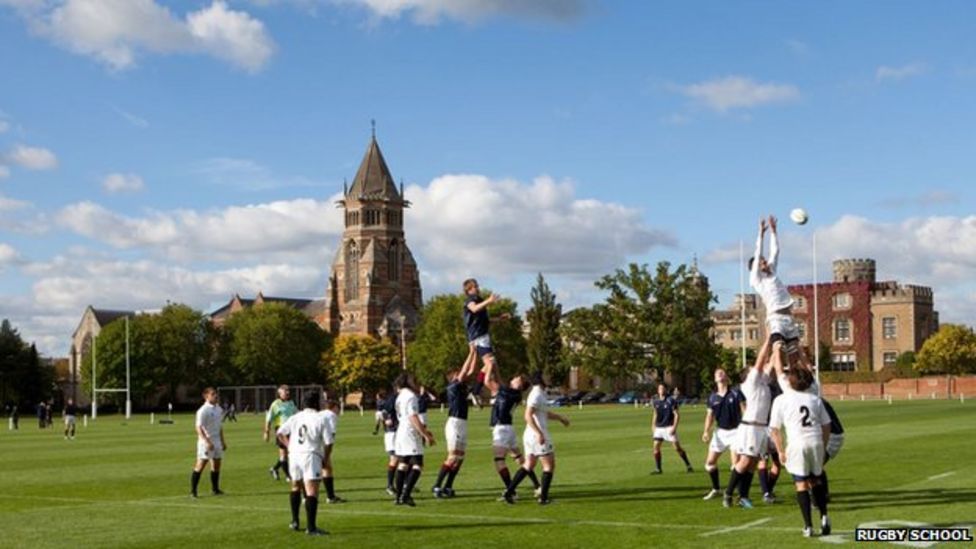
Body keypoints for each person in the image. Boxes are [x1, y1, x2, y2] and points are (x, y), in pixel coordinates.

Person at [768, 347, 833, 538]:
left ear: (791, 381)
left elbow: (774, 429)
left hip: (797, 444)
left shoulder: (781, 399)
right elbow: (827, 425)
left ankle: (808, 526)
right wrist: (823, 445)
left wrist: (780, 451)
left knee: (801, 484)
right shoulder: (815, 399)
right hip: (815, 441)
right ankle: (824, 516)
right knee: (816, 480)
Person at [749, 216, 809, 369]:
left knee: (795, 353)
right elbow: (757, 253)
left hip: (788, 316)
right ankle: (780, 376)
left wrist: (774, 232)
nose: (765, 262)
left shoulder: (772, 272)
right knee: (778, 347)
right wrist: (761, 234)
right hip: (775, 317)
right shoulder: (757, 280)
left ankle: (796, 379)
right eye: (761, 261)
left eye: (764, 260)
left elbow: (775, 251)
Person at [502, 371, 569, 505]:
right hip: (536, 435)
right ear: (540, 379)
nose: (548, 377)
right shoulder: (537, 394)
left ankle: (509, 493)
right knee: (549, 465)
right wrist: (539, 433)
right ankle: (543, 498)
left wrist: (560, 418)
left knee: (529, 465)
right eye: (546, 376)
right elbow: (527, 415)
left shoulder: (540, 393)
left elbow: (544, 413)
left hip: (531, 435)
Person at [724, 336, 773, 509]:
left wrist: (777, 344)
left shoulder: (763, 382)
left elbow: (770, 363)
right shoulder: (750, 383)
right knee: (745, 461)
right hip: (751, 427)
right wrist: (768, 339)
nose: (758, 370)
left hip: (760, 428)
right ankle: (728, 493)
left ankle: (743, 496)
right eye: (753, 370)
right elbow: (761, 361)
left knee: (752, 464)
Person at [483, 350, 540, 497]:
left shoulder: (507, 393)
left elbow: (487, 381)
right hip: (509, 429)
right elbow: (501, 382)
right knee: (520, 460)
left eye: (516, 379)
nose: (513, 379)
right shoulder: (513, 393)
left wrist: (489, 365)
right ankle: (537, 486)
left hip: (501, 429)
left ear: (519, 384)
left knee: (499, 460)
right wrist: (495, 366)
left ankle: (511, 490)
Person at [276, 391, 329, 536]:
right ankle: (311, 528)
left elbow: (280, 432)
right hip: (310, 454)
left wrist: (289, 446)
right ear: (316, 403)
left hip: (294, 455)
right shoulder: (320, 418)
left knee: (295, 486)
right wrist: (326, 458)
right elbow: (328, 441)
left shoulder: (296, 416)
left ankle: (295, 521)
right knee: (312, 491)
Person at [432, 347, 477, 498]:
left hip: (462, 423)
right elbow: (465, 371)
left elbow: (470, 371)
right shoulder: (453, 386)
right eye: (458, 374)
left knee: (460, 458)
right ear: (453, 378)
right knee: (452, 457)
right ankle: (437, 485)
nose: (462, 375)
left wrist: (476, 353)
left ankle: (448, 486)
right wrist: (471, 352)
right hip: (455, 423)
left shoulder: (461, 386)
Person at [462, 279, 510, 404]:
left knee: (492, 363)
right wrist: (489, 301)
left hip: (482, 335)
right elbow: (474, 309)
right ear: (469, 290)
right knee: (491, 363)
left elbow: (485, 320)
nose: (477, 288)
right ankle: (493, 389)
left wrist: (499, 319)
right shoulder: (470, 300)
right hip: (478, 337)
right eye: (475, 287)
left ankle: (477, 390)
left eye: (477, 286)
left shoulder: (479, 300)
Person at [392, 372, 436, 506]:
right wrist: (425, 434)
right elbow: (413, 417)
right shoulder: (411, 396)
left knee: (403, 463)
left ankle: (398, 497)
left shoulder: (400, 396)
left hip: (401, 431)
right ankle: (406, 495)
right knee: (418, 464)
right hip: (410, 432)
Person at [701, 369, 745, 499]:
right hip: (720, 432)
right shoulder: (712, 397)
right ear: (715, 379)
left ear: (726, 377)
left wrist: (746, 427)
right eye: (717, 373)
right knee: (709, 463)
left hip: (736, 431)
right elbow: (710, 416)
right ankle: (716, 489)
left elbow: (744, 410)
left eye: (722, 372)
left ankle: (739, 494)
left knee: (735, 463)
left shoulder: (736, 393)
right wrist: (706, 431)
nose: (719, 374)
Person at [191, 387, 226, 498]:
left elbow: (220, 426)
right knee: (200, 465)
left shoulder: (219, 409)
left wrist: (222, 441)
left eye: (216, 394)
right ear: (206, 396)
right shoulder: (203, 410)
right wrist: (206, 441)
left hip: (217, 441)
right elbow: (198, 428)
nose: (216, 396)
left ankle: (215, 489)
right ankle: (193, 491)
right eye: (213, 394)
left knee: (216, 464)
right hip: (206, 441)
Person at [651, 383, 693, 474]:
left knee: (677, 448)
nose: (661, 390)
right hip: (659, 427)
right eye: (659, 388)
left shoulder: (671, 400)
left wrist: (674, 427)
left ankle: (688, 465)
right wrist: (653, 425)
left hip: (669, 427)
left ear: (666, 390)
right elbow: (655, 413)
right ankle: (658, 469)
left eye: (663, 388)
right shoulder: (656, 401)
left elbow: (676, 415)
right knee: (656, 447)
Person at [264, 385, 298, 481]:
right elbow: (268, 419)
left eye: (288, 391)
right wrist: (267, 432)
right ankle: (288, 476)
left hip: (292, 430)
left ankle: (274, 469)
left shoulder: (291, 403)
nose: (287, 393)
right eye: (285, 391)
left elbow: (296, 414)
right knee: (284, 454)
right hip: (281, 431)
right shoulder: (276, 404)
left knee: (290, 452)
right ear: (279, 393)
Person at [373, 389, 400, 496]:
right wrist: (386, 420)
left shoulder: (388, 403)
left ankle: (400, 484)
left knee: (401, 459)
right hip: (391, 434)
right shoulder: (388, 404)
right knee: (395, 459)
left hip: (394, 433)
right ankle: (390, 486)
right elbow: (382, 414)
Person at [320, 397, 344, 504]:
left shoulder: (321, 413)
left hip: (312, 442)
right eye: (338, 408)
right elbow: (331, 434)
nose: (339, 411)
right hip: (322, 444)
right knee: (326, 468)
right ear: (334, 408)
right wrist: (328, 452)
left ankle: (306, 496)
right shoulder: (331, 415)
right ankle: (330, 497)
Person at [820, 398, 844, 501]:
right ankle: (823, 495)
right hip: (829, 434)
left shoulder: (815, 401)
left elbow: (826, 425)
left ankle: (819, 497)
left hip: (832, 436)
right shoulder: (816, 400)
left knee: (814, 467)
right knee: (816, 466)